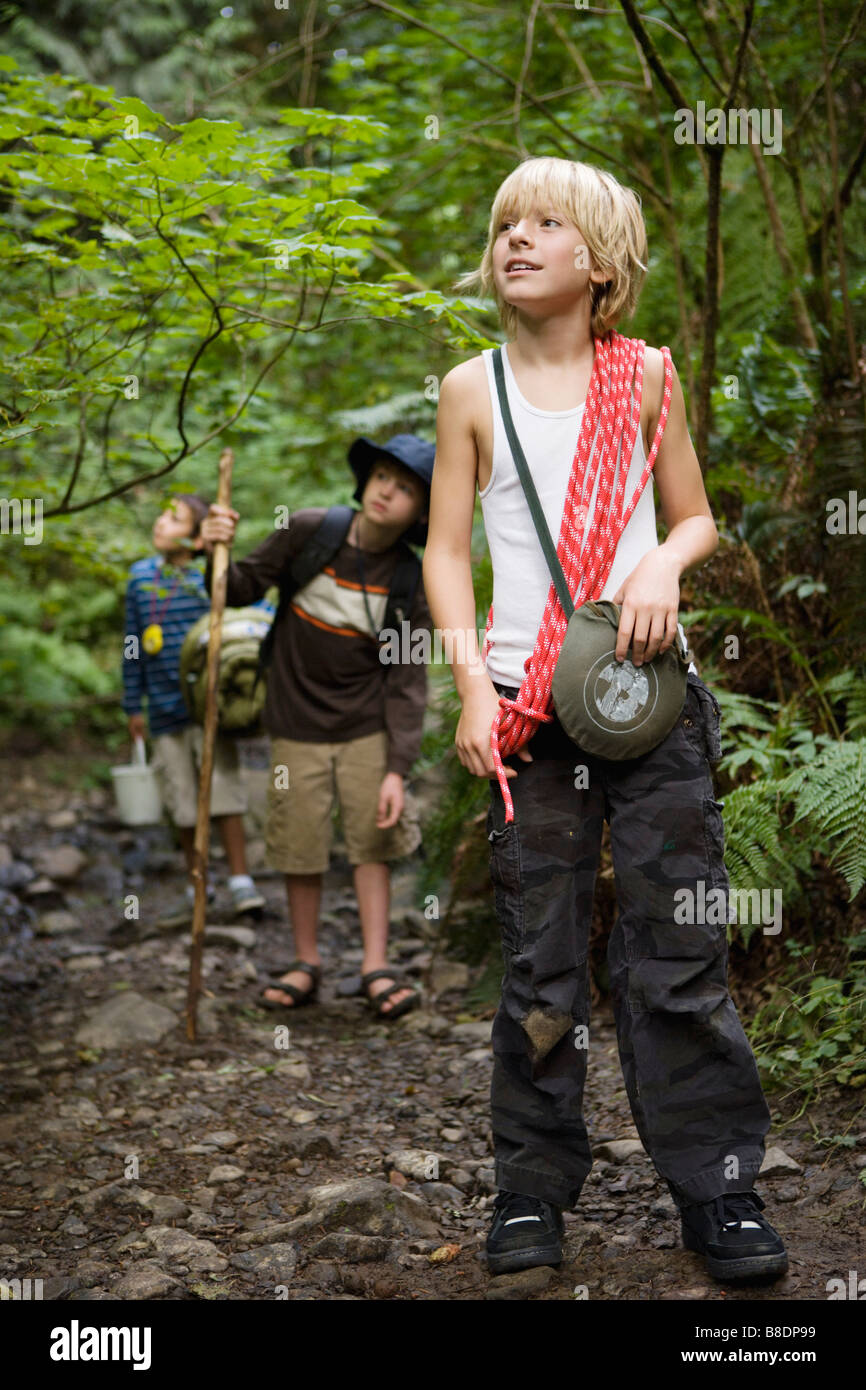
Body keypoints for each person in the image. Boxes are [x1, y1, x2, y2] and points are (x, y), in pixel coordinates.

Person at [423, 155, 787, 1282]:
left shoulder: (645, 378)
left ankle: (718, 1191)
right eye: (502, 225)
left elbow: (693, 520)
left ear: (600, 264)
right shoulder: (467, 388)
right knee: (538, 963)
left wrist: (662, 569)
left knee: (676, 947)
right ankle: (529, 1193)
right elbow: (443, 552)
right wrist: (473, 691)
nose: (513, 239)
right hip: (531, 712)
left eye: (542, 224)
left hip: (649, 699)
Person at [199, 437, 433, 1019]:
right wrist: (216, 548)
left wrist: (397, 770)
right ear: (364, 481)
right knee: (299, 843)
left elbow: (408, 678)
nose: (388, 491)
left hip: (367, 728)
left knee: (371, 844)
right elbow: (236, 590)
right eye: (383, 476)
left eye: (406, 488)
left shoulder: (412, 578)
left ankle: (375, 965)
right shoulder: (309, 530)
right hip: (294, 723)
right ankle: (306, 962)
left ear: (423, 512)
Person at [121, 494, 266, 918]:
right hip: (163, 708)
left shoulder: (212, 575)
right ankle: (197, 880)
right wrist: (134, 703)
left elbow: (251, 615)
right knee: (182, 801)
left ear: (199, 537)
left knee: (223, 792)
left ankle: (241, 879)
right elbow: (132, 644)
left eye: (174, 517)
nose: (160, 523)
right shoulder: (140, 578)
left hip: (209, 709)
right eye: (163, 515)